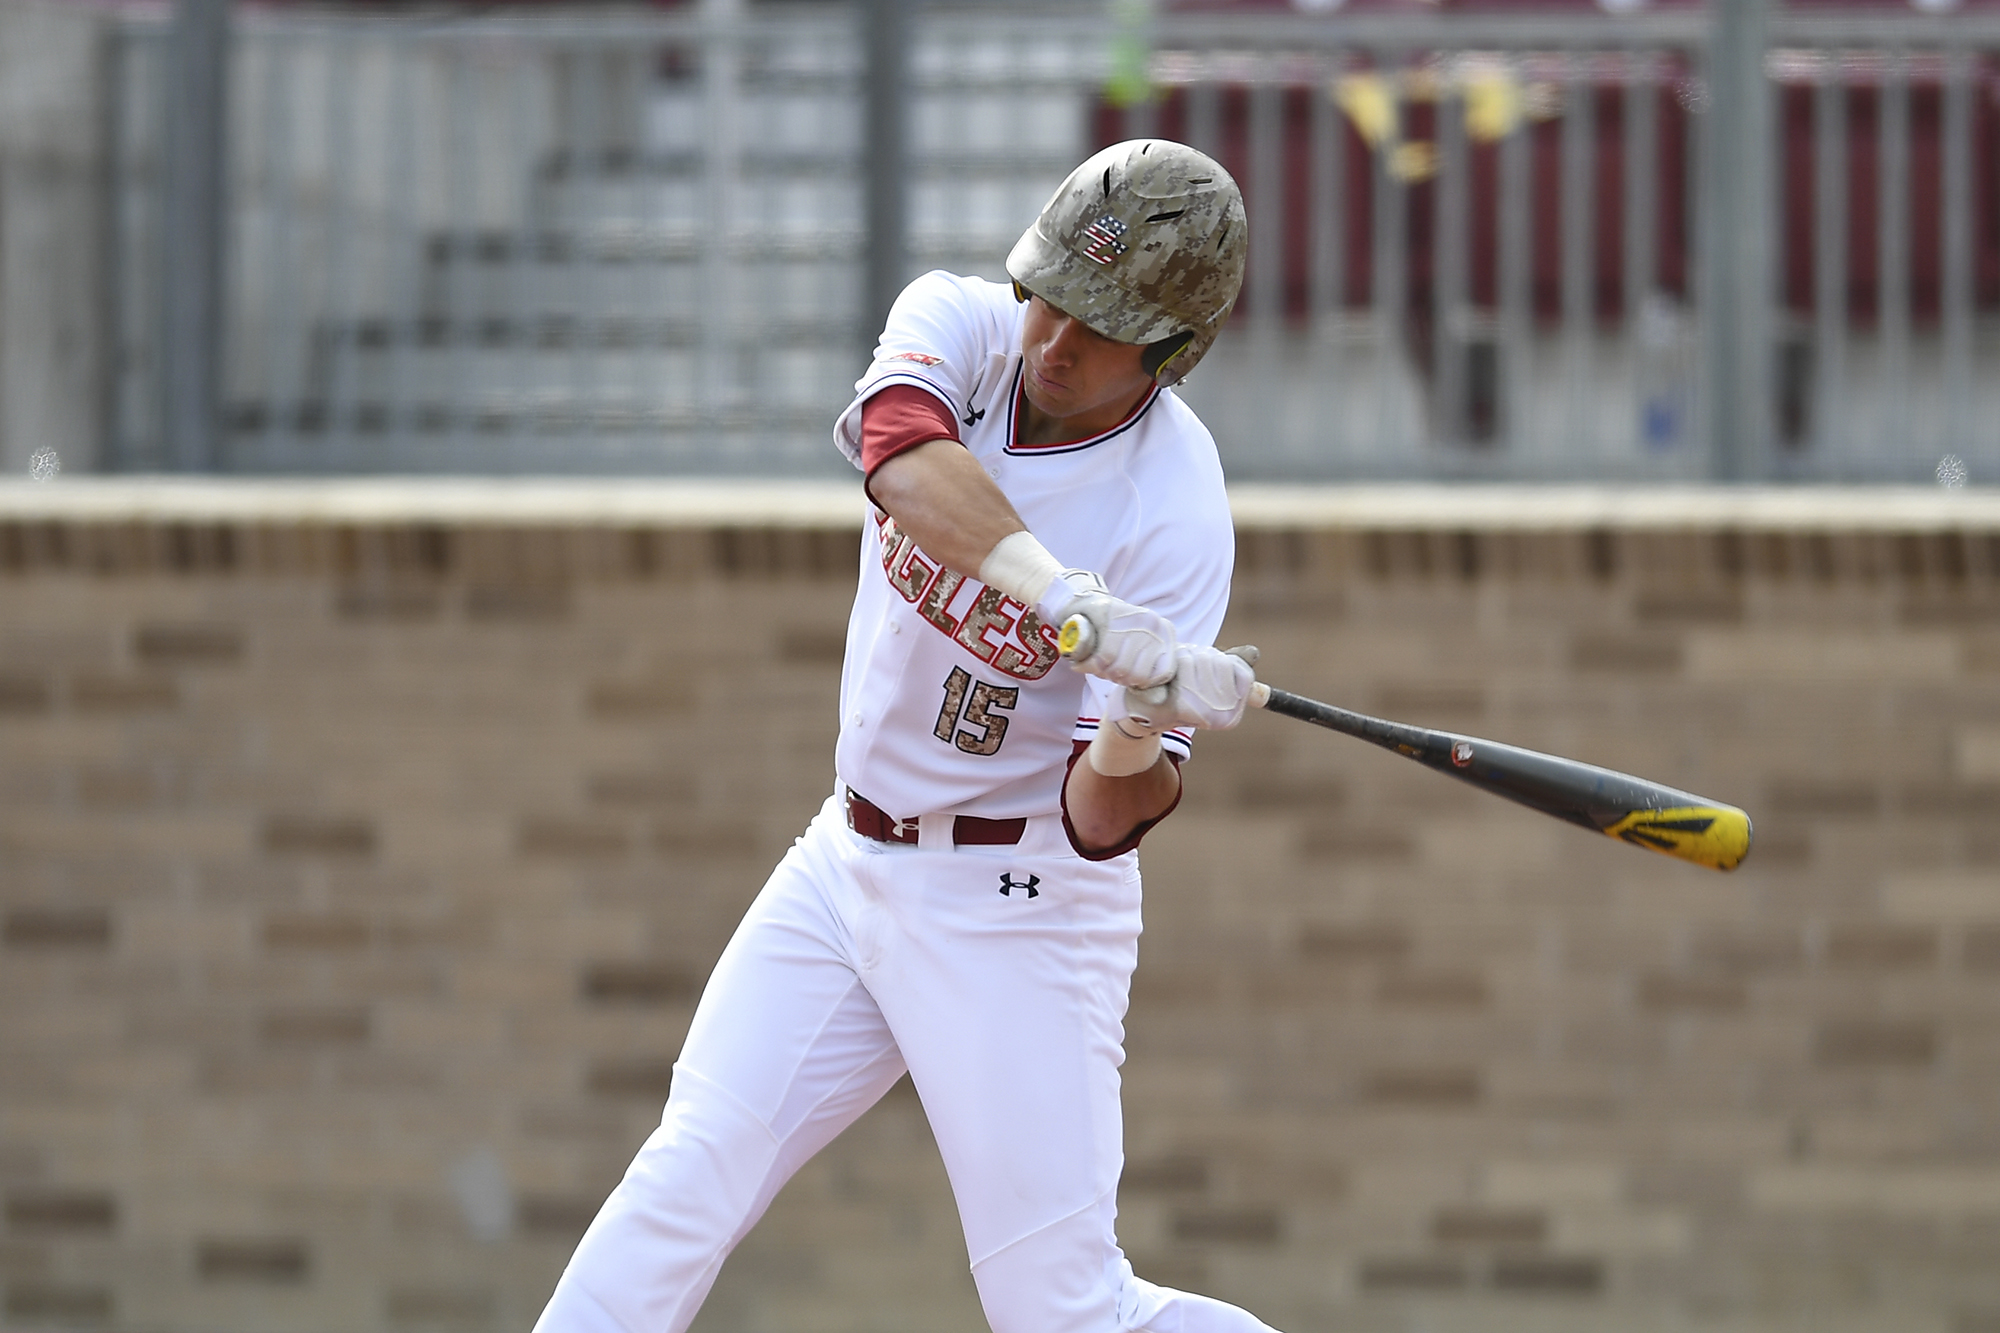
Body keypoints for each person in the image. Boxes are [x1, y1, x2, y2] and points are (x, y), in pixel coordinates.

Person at [532, 139, 1277, 1333]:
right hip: (846, 857)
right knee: (687, 1174)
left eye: (1099, 324)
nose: (1053, 339)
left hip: (1016, 901)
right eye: (1051, 293)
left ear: (1173, 350)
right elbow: (898, 458)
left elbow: (1101, 821)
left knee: (1062, 1310)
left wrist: (1138, 719)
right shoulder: (963, 324)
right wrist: (1066, 600)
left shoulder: (1174, 504)